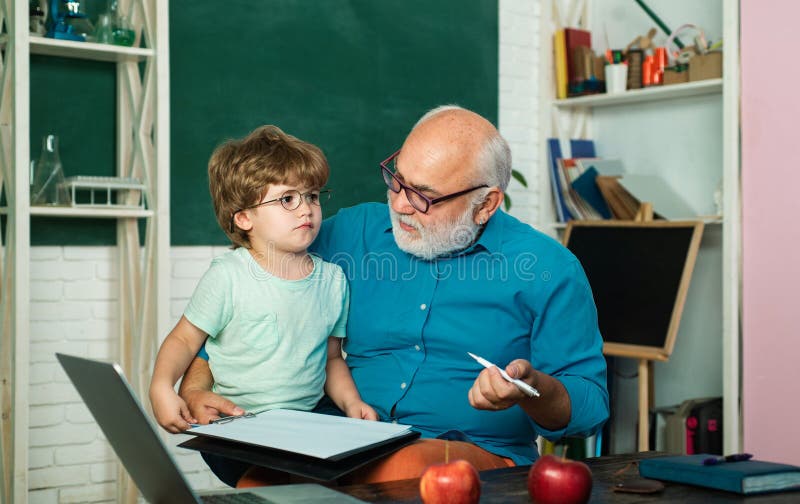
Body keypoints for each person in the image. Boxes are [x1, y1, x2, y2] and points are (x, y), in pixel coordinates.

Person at [179, 106, 609, 486]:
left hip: (467, 451)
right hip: (338, 437)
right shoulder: (351, 233)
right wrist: (197, 386)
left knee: (400, 468)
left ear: (486, 204)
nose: (401, 204)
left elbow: (588, 409)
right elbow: (242, 296)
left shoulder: (548, 268)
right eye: (397, 180)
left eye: (424, 196)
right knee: (254, 476)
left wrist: (532, 389)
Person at [149, 125, 377, 483]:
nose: (307, 209)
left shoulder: (333, 281)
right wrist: (161, 386)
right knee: (272, 485)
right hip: (239, 424)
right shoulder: (228, 275)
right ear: (243, 217)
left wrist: (351, 404)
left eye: (313, 196)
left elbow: (332, 359)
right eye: (288, 199)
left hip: (306, 420)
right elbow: (184, 340)